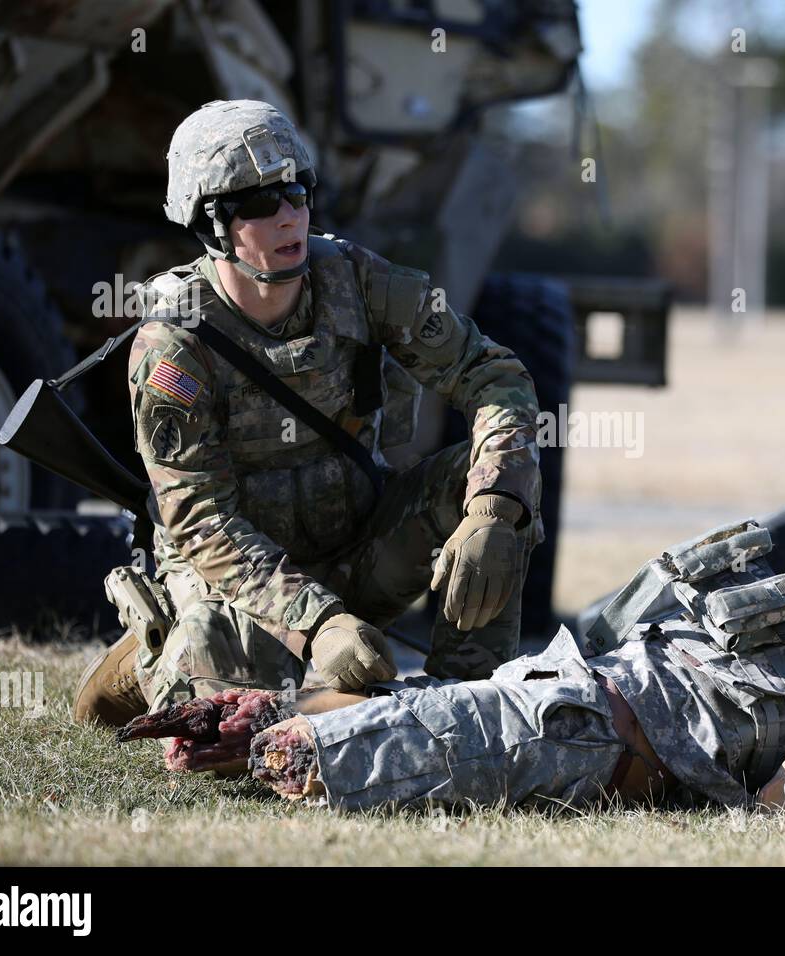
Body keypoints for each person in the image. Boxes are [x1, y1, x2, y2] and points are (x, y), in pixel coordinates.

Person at [74, 99, 543, 726]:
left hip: (358, 548)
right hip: (241, 582)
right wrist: (317, 623)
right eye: (261, 204)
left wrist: (493, 510)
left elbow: (491, 375)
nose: (289, 215)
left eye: (296, 192)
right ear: (212, 224)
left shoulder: (359, 280)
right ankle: (149, 658)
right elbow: (200, 520)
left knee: (494, 491)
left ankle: (464, 711)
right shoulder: (175, 347)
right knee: (241, 718)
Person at [119, 519, 785, 815]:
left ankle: (254, 730)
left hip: (594, 736)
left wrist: (755, 811)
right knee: (361, 703)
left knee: (314, 749)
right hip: (574, 692)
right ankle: (213, 699)